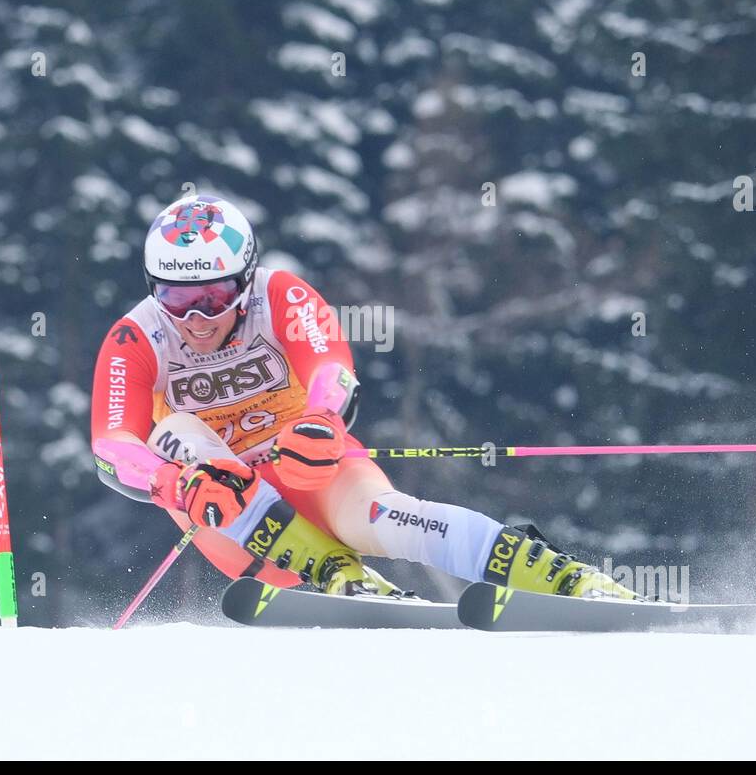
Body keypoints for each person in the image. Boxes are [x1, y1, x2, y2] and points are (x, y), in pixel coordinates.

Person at [90, 194, 640, 601]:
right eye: (176, 296)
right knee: (180, 438)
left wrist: (322, 421)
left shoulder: (278, 295)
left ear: (245, 279)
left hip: (310, 469)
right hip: (232, 518)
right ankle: (336, 573)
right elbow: (111, 444)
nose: (196, 317)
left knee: (390, 520)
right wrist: (169, 482)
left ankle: (566, 578)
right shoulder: (135, 339)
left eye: (214, 296)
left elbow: (331, 364)